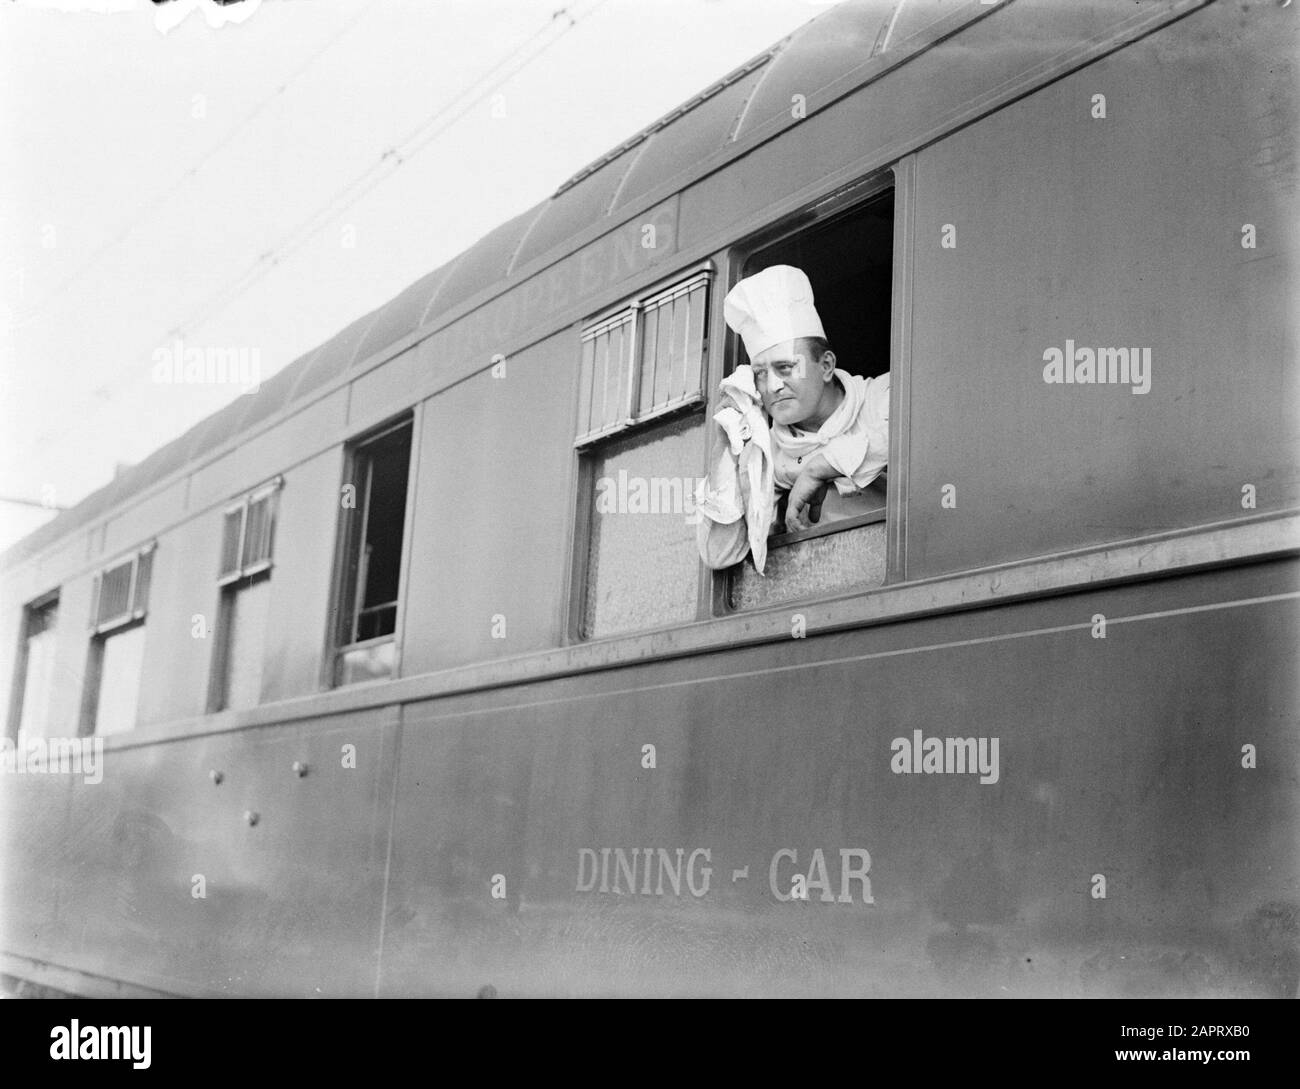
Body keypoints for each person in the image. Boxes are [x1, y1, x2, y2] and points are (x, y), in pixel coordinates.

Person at [695, 265, 889, 571]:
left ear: (826, 366)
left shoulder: (884, 396)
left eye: (785, 367)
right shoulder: (765, 454)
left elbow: (925, 429)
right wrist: (725, 449)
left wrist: (818, 469)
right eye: (760, 373)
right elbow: (719, 555)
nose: (772, 385)